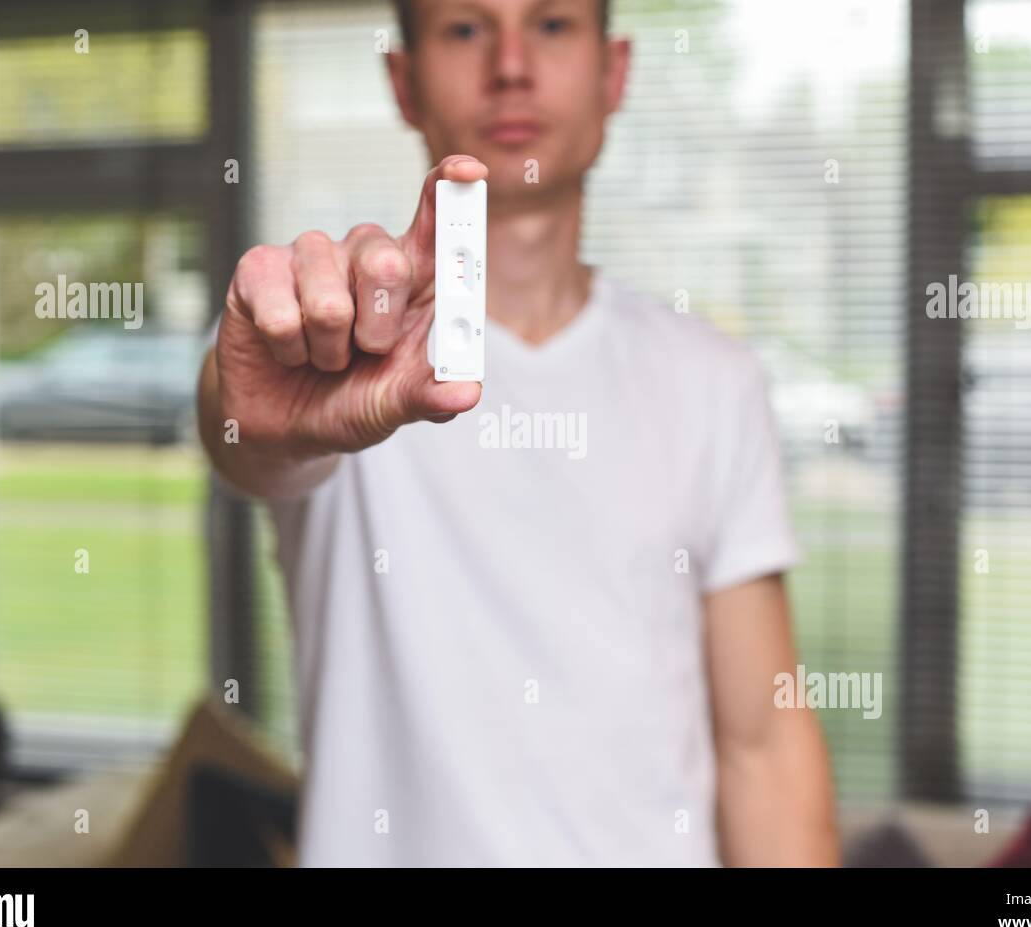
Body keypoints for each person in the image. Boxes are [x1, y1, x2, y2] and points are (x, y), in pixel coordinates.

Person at [196, 0, 839, 866]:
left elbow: (762, 745)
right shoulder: (328, 355)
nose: (510, 65)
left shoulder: (716, 380)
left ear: (613, 72)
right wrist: (254, 410)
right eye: (464, 28)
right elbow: (249, 434)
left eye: (551, 25)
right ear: (403, 81)